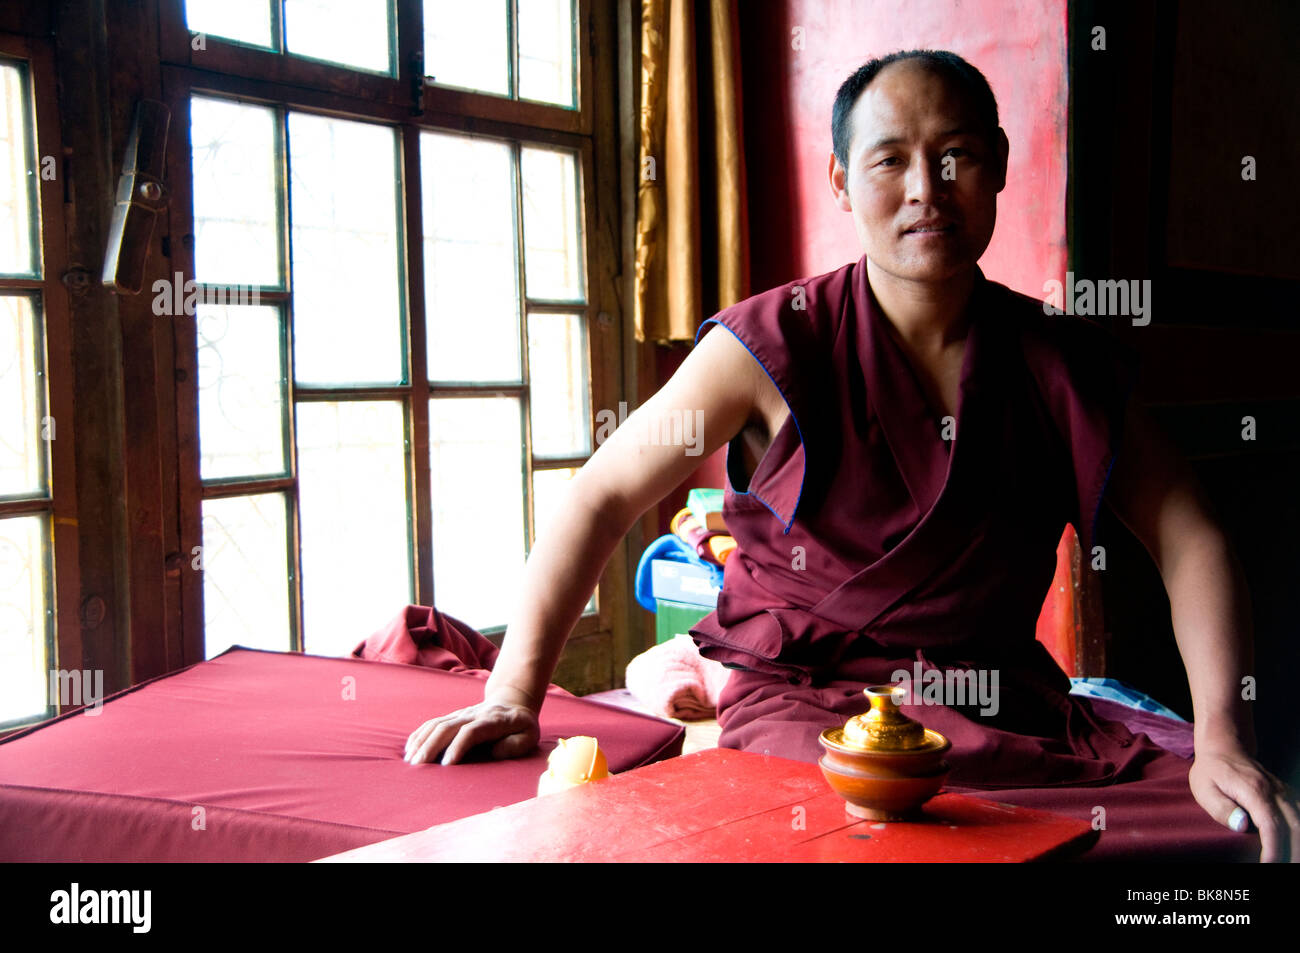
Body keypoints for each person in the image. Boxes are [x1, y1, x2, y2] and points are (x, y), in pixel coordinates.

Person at [404, 49, 1299, 862]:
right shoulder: (771, 345)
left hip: (1001, 714)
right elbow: (603, 493)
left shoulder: (1056, 359)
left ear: (996, 166)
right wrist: (516, 692)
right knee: (874, 847)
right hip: (811, 715)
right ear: (840, 179)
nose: (926, 188)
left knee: (1243, 838)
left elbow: (1192, 535)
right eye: (890, 160)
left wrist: (1223, 731)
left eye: (956, 156)